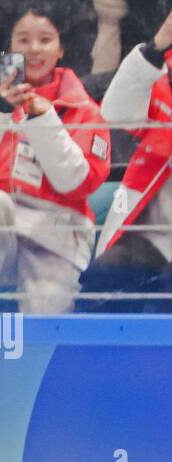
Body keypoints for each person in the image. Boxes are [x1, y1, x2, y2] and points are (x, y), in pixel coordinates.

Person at [0, 1, 111, 313]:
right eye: (23, 39)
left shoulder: (85, 110)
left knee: (47, 317)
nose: (34, 49)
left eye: (45, 40)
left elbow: (76, 182)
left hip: (55, 237)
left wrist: (43, 121)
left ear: (61, 48)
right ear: (8, 46)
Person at [80, 11, 172, 312]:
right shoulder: (162, 69)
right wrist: (156, 46)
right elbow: (115, 113)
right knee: (103, 277)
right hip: (153, 241)